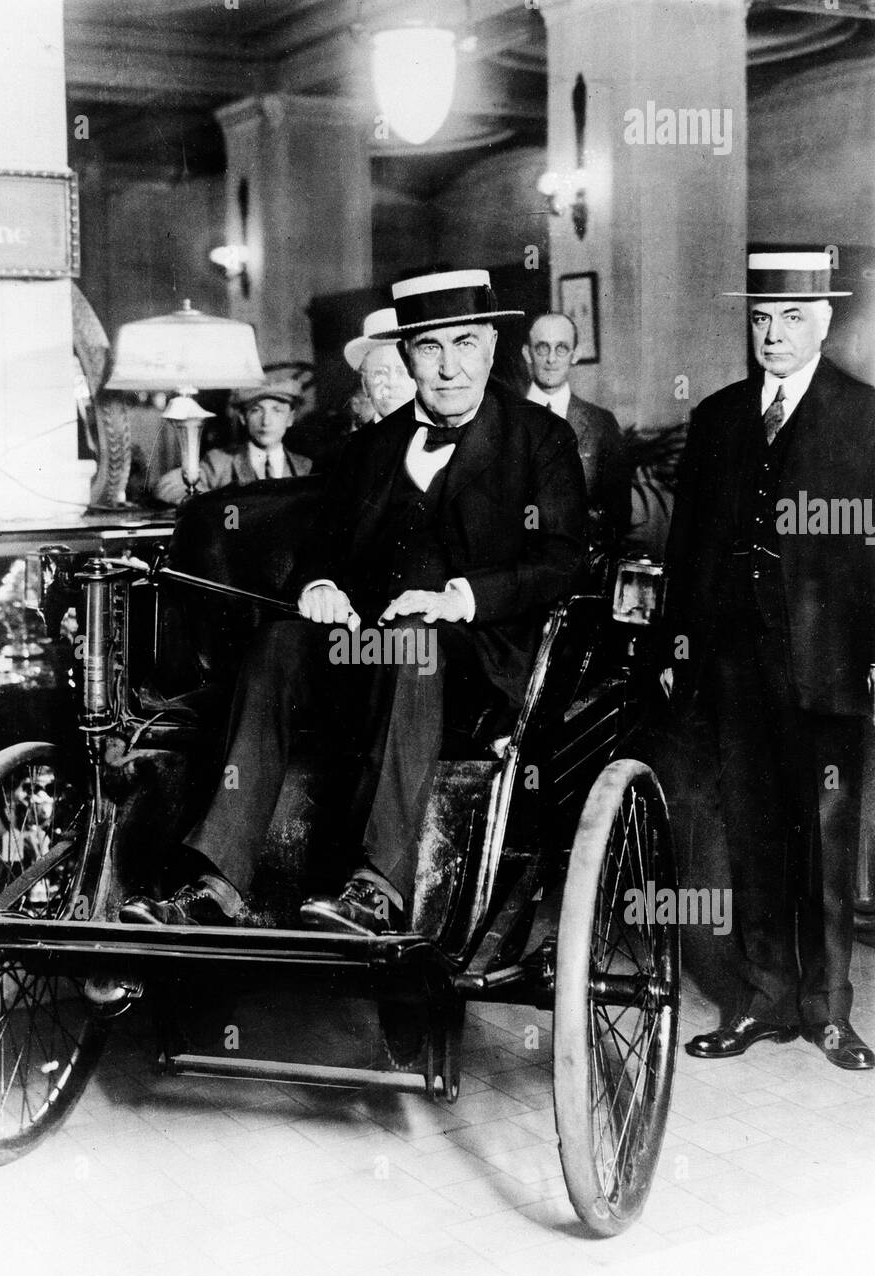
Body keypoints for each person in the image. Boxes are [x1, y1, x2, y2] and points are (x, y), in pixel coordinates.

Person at [122, 269, 588, 936]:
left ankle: (376, 889)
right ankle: (216, 882)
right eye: (430, 348)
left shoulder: (541, 439)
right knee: (279, 644)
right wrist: (321, 588)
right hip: (364, 648)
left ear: (491, 344)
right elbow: (322, 551)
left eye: (464, 344)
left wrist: (461, 598)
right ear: (405, 354)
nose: (450, 368)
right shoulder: (371, 448)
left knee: (416, 641)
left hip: (474, 658)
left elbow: (562, 561)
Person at [664, 250, 875, 1070]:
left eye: (791, 318)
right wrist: (675, 649)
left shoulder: (862, 414)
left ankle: (829, 1013)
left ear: (824, 322)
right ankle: (765, 1001)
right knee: (749, 832)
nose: (772, 333)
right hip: (734, 659)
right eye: (760, 318)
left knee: (827, 839)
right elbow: (685, 550)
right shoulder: (718, 417)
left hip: (830, 659)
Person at [522, 311, 630, 547]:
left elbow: (618, 513)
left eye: (561, 348)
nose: (551, 359)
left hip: (581, 565)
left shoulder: (601, 423)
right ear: (527, 353)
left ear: (575, 354)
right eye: (542, 347)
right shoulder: (504, 417)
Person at [152, 371, 312, 504]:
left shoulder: (304, 466)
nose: (266, 421)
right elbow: (166, 486)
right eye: (256, 410)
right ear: (243, 417)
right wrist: (217, 504)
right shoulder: (219, 461)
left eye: (277, 410)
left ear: (290, 418)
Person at [343, 307, 417, 422]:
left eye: (402, 372)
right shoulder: (354, 440)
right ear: (365, 385)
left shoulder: (445, 437)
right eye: (380, 372)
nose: (392, 383)